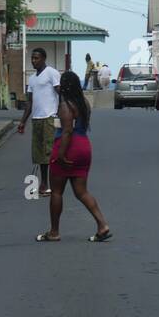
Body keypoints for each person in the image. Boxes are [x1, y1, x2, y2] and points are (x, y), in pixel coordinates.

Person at [36, 71, 112, 243]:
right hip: (84, 147)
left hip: (68, 147)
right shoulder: (84, 103)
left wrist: (61, 154)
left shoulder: (65, 105)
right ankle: (102, 225)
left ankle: (54, 232)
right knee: (82, 192)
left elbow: (67, 131)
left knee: (56, 191)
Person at [17, 47, 61, 197]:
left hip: (50, 118)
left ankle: (50, 183)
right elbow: (29, 102)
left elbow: (60, 93)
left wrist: (62, 114)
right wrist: (23, 121)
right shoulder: (32, 79)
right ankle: (44, 184)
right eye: (32, 58)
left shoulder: (51, 73)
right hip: (36, 119)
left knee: (50, 151)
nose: (33, 61)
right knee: (39, 154)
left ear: (43, 58)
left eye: (36, 58)